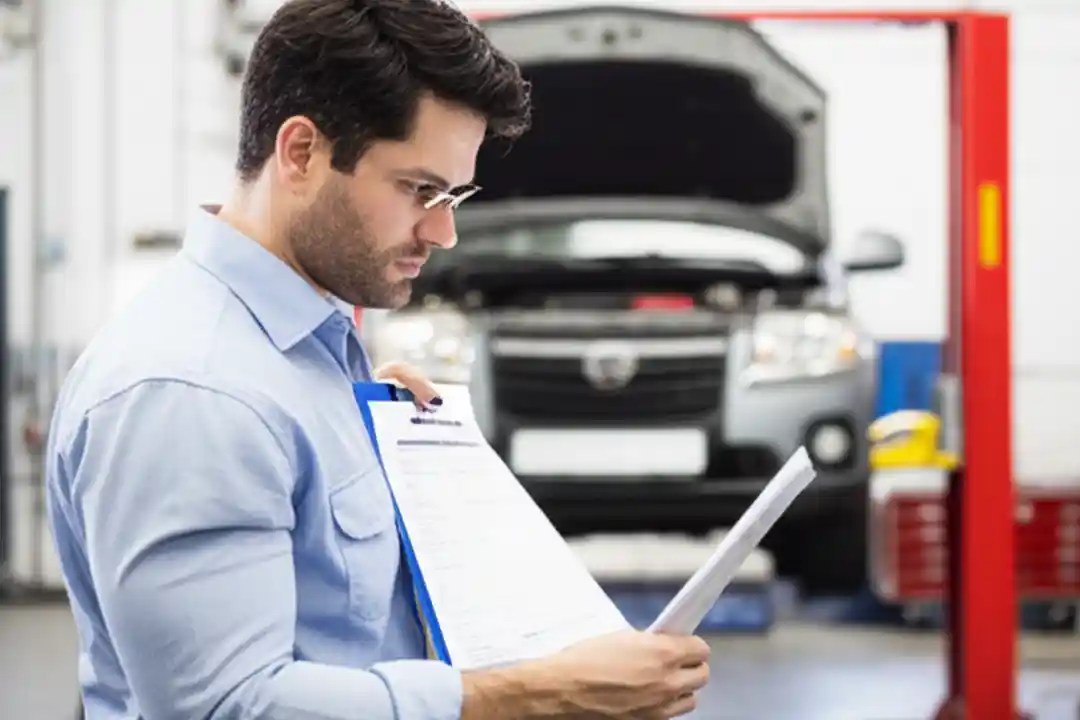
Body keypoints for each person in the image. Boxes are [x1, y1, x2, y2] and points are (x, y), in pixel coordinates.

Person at [43, 1, 711, 718]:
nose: (445, 231)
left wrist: (365, 432)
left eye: (455, 194)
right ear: (301, 153)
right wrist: (539, 694)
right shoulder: (194, 393)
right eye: (421, 190)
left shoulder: (304, 357)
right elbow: (225, 708)